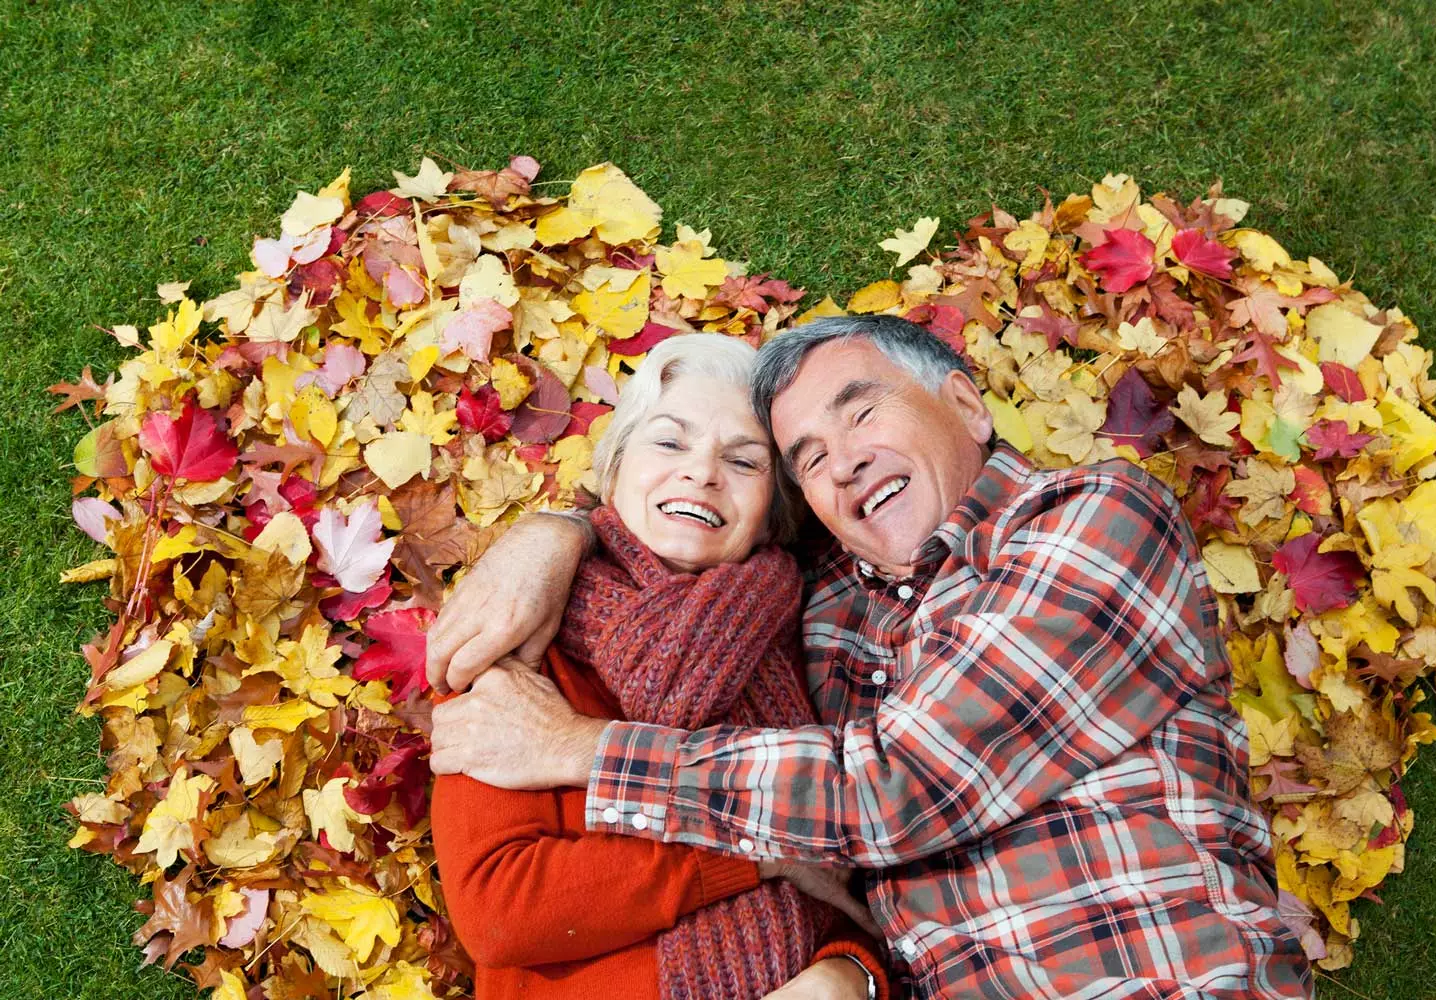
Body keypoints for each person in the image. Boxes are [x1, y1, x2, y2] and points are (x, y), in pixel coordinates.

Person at [429, 315, 1314, 999]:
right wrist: (555, 531)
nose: (843, 462)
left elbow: (894, 791)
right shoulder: (819, 615)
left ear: (967, 404)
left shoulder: (1090, 521)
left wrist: (580, 748)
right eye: (808, 457)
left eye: (861, 413)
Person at [430, 334, 887, 1000]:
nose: (703, 472)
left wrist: (852, 977)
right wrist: (753, 852)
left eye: (744, 460)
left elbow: (876, 874)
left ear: (773, 514)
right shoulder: (519, 631)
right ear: (612, 474)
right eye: (669, 443)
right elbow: (502, 910)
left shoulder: (816, 637)